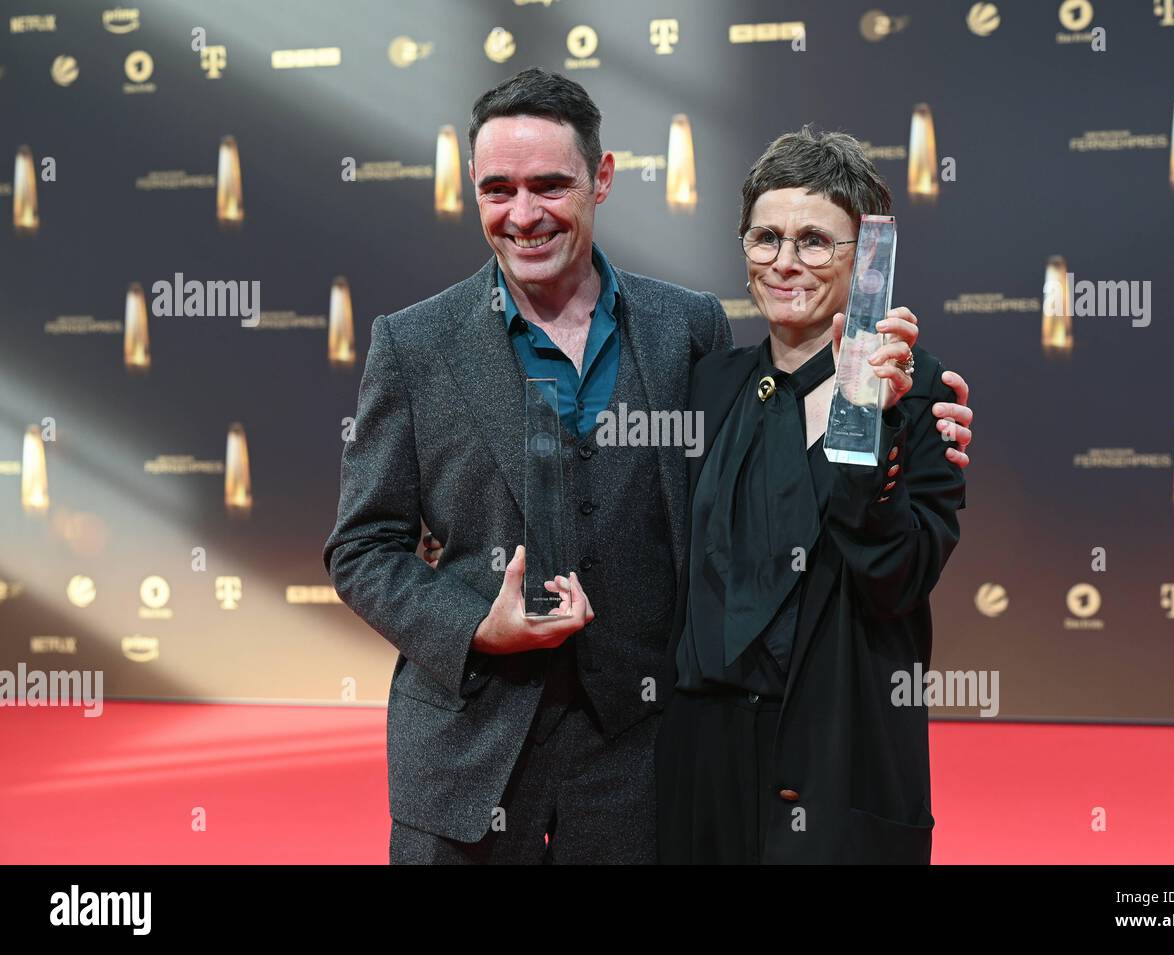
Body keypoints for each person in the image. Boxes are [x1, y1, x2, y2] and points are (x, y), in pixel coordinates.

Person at [327, 68, 973, 864]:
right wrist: (474, 627)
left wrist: (885, 419)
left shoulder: (687, 333)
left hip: (641, 767)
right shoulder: (413, 344)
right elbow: (361, 548)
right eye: (499, 188)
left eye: (550, 185)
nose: (523, 214)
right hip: (467, 760)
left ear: (601, 180)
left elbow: (810, 499)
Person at [655, 128, 966, 864]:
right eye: (766, 237)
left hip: (836, 765)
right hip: (700, 767)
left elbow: (897, 577)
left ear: (864, 262)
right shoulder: (705, 386)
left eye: (816, 241)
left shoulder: (918, 395)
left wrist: (867, 423)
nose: (786, 261)